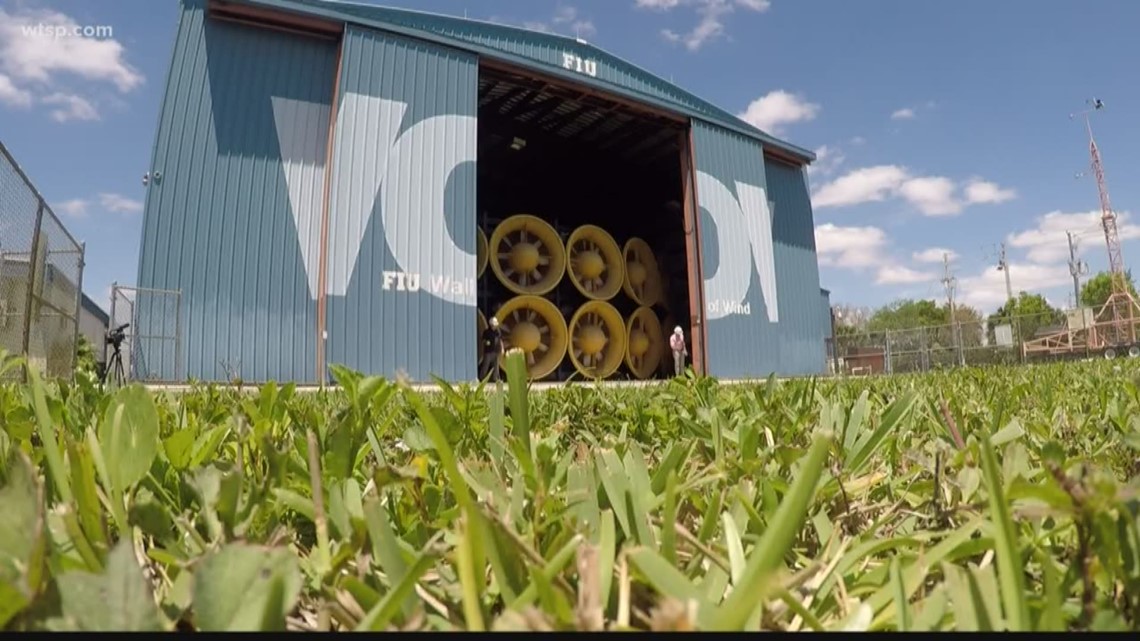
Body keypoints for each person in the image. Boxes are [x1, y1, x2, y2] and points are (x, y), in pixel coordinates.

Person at [479, 316, 505, 382]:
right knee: (486, 365)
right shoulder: (486, 332)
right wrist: (486, 342)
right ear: (491, 325)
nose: (494, 326)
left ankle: (495, 378)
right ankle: (482, 378)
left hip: (496, 351)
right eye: (493, 325)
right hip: (488, 352)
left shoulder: (498, 332)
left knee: (496, 366)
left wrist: (502, 349)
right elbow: (483, 340)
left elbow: (500, 340)